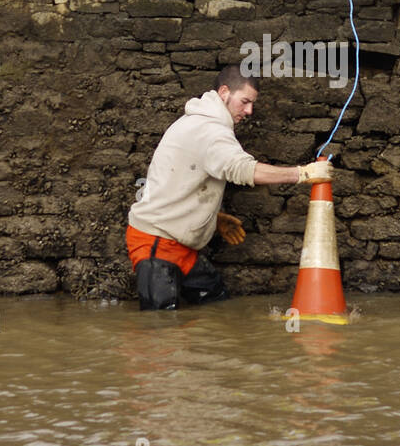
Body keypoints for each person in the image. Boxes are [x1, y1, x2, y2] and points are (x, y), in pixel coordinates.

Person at [126, 64, 334, 310]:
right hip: (156, 243)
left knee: (217, 307)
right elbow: (243, 169)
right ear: (224, 92)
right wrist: (302, 173)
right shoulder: (210, 130)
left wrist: (212, 219)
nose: (249, 111)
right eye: (244, 101)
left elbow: (178, 182)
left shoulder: (200, 123)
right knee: (158, 329)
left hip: (180, 246)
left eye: (252, 104)